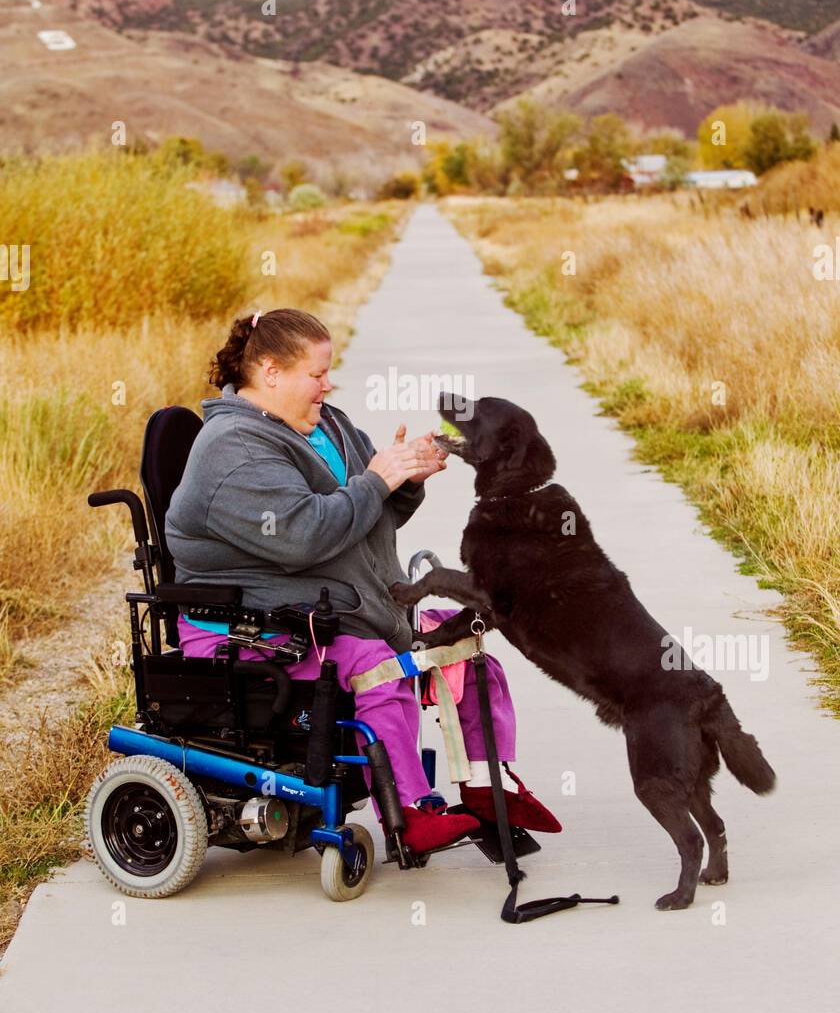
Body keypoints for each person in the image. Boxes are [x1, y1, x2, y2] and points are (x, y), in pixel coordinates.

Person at [165, 307, 561, 856]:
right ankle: (412, 815)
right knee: (380, 668)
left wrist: (403, 481)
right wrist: (378, 479)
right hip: (256, 626)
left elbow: (365, 516)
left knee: (465, 647)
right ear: (272, 372)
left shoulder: (326, 423)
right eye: (317, 373)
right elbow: (304, 535)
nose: (329, 384)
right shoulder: (232, 451)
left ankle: (487, 786)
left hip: (341, 607)